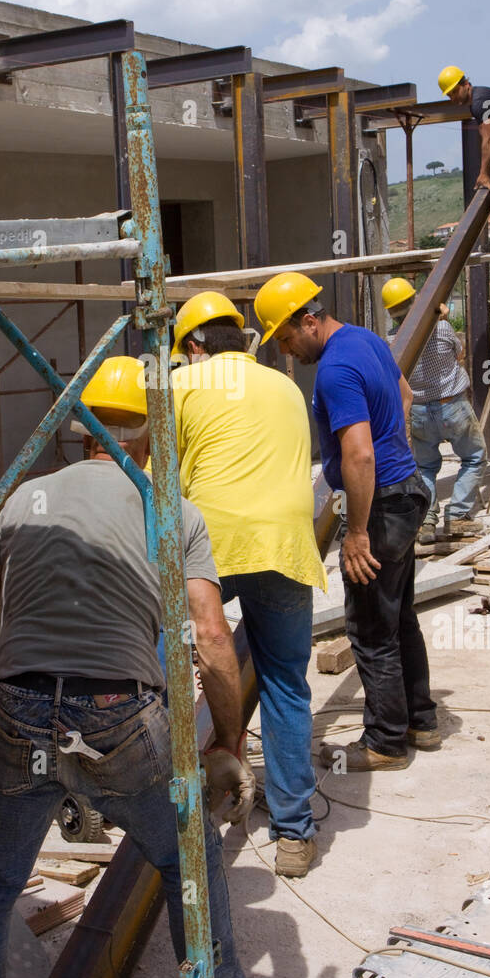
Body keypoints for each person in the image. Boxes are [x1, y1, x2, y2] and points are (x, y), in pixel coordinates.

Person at [0, 355, 290, 978]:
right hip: (117, 715)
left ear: (77, 428)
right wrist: (228, 743)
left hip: (20, 709)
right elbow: (209, 638)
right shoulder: (172, 514)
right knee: (189, 862)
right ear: (154, 434)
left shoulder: (26, 497)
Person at [254, 272, 440, 771]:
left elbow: (358, 458)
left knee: (370, 628)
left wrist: (356, 532)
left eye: (288, 339)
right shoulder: (366, 340)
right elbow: (404, 395)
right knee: (399, 616)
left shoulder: (335, 370)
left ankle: (384, 743)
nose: (287, 351)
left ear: (308, 321)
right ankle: (420, 720)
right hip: (406, 494)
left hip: (379, 508)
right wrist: (394, 449)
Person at [170, 292, 326, 879]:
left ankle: (169, 797)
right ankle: (293, 835)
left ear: (192, 346)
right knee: (286, 683)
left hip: (209, 543)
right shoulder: (285, 385)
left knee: (161, 669)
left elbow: (163, 483)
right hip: (284, 545)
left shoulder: (181, 388)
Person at [382, 277, 487, 542]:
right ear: (415, 301)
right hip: (452, 405)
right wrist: (441, 317)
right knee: (474, 457)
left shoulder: (391, 342)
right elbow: (459, 354)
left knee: (426, 467)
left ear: (390, 311)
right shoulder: (441, 330)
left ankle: (427, 521)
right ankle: (459, 516)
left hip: (417, 411)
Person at [438, 65, 490, 249]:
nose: (452, 98)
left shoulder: (480, 101)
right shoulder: (482, 98)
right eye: (449, 95)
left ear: (465, 83)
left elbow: (488, 140)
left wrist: (484, 173)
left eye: (454, 92)